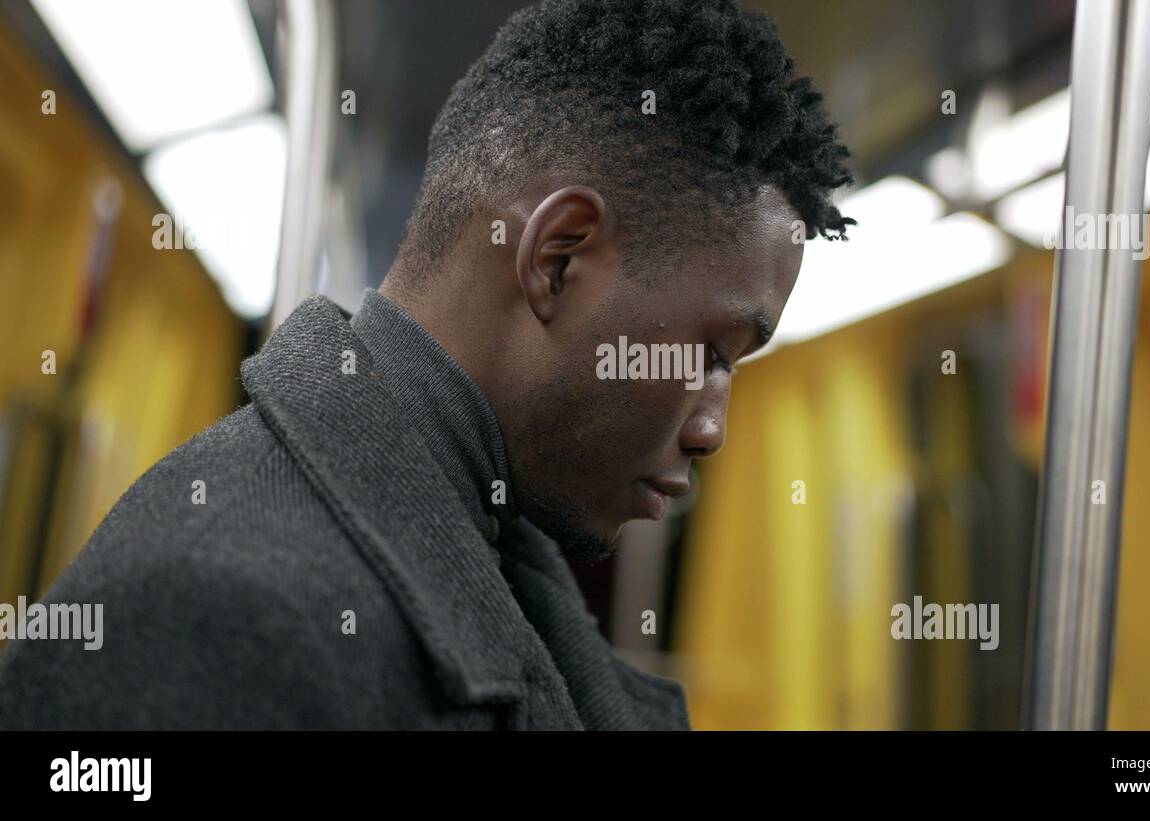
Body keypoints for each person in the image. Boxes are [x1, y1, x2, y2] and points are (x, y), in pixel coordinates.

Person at [0, 0, 854, 730]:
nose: (713, 430)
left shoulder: (491, 545)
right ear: (557, 258)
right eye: (709, 354)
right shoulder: (218, 616)